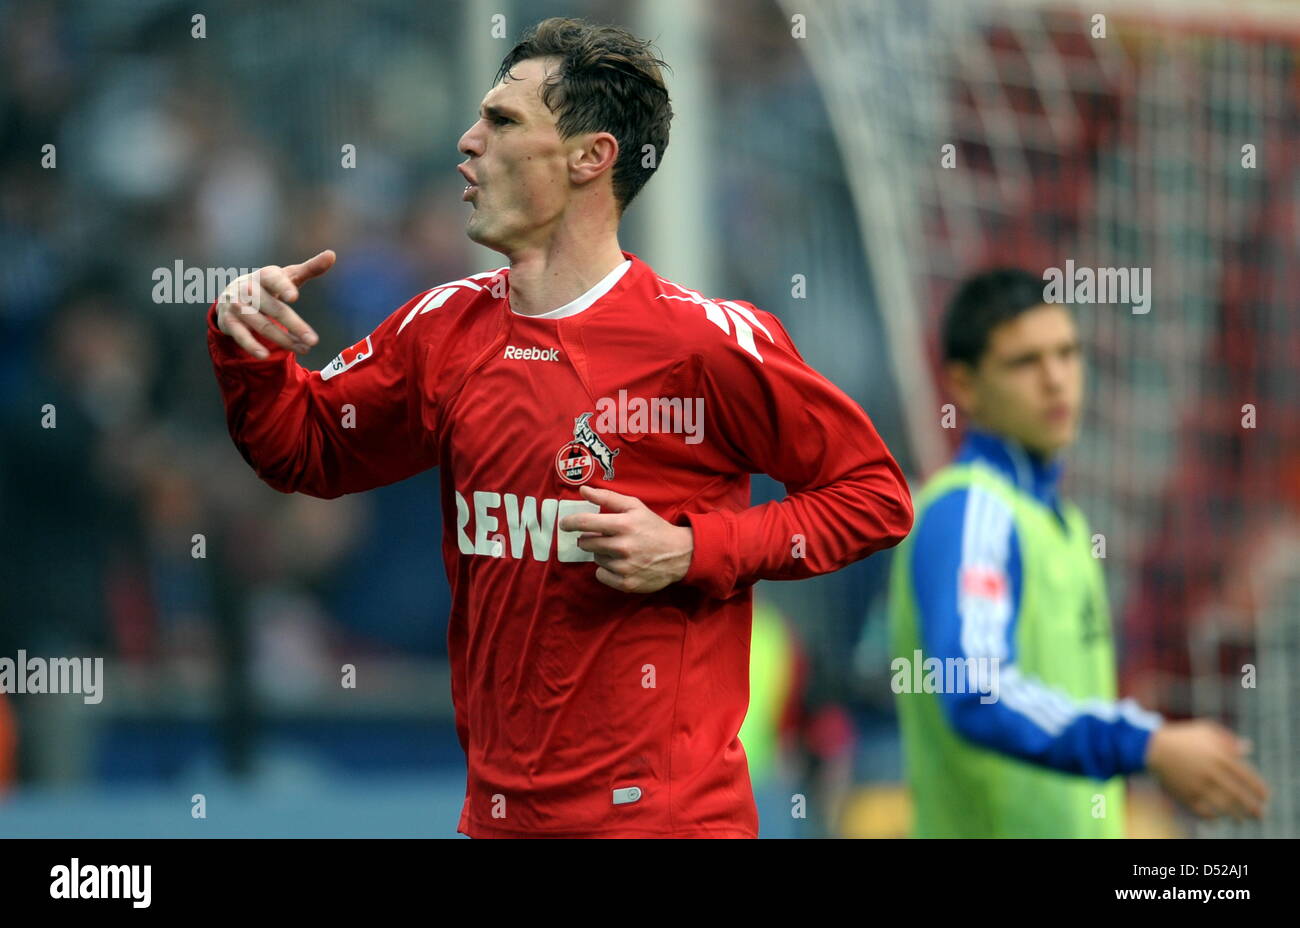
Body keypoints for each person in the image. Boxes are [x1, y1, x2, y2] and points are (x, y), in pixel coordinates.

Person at [207, 17, 912, 838]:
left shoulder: (706, 342)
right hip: (499, 819)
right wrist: (245, 348)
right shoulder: (442, 330)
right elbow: (305, 452)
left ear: (590, 157)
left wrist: (692, 549)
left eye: (503, 122)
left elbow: (876, 497)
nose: (467, 142)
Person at [888, 268, 1270, 838]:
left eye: (1068, 354)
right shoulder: (971, 511)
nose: (1056, 380)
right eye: (1025, 362)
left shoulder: (1063, 523)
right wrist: (1146, 743)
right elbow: (976, 693)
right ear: (963, 386)